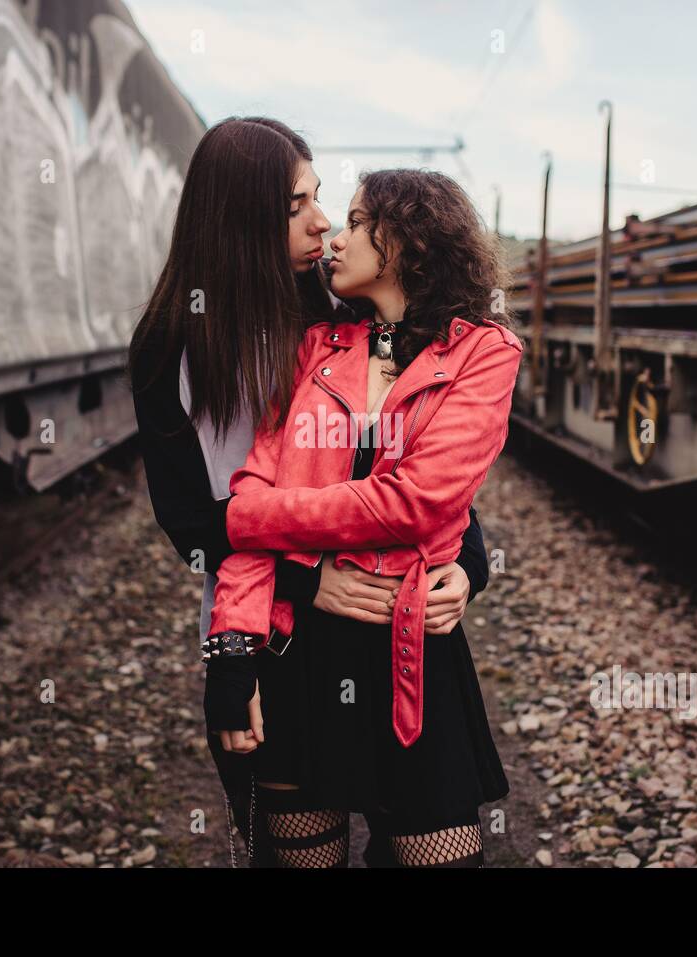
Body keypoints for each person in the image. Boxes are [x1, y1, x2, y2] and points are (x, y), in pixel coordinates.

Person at [125, 118, 491, 867]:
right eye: (298, 205)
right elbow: (192, 524)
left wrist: (468, 564)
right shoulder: (170, 345)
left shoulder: (338, 313)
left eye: (323, 200)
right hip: (267, 636)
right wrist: (304, 577)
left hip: (386, 624)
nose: (322, 222)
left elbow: (419, 467)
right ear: (241, 216)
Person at [204, 168, 522, 868]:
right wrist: (231, 648)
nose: (333, 237)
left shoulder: (484, 352)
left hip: (410, 650)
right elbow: (253, 488)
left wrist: (253, 519)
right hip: (301, 655)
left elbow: (421, 500)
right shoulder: (314, 348)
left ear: (405, 239)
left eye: (353, 221)